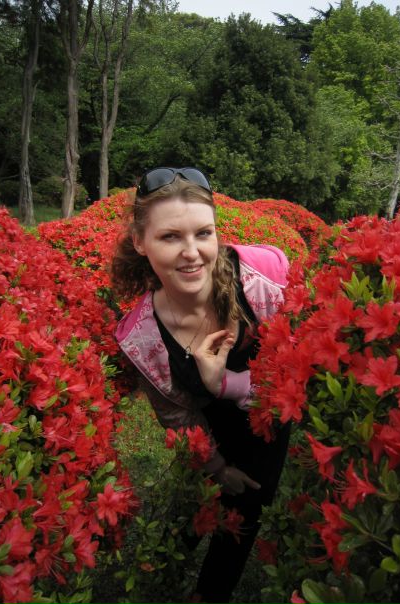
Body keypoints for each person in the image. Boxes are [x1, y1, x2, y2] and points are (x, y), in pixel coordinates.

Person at [111, 167, 291, 604]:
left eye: (203, 233)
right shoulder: (140, 337)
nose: (192, 253)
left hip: (269, 428)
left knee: (244, 517)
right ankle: (163, 580)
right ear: (140, 242)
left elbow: (296, 378)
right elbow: (179, 414)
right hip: (211, 432)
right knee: (195, 508)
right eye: (170, 237)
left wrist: (223, 382)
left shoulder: (265, 277)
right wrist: (216, 467)